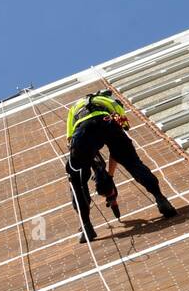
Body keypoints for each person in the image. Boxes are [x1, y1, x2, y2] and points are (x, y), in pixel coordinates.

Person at [65, 90, 176, 241]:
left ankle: (86, 226)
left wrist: (101, 173)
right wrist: (107, 176)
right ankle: (160, 198)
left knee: (76, 179)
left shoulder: (74, 109)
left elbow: (71, 141)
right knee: (133, 163)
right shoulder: (112, 103)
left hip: (83, 131)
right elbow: (118, 144)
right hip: (107, 122)